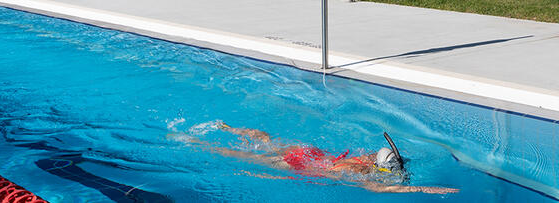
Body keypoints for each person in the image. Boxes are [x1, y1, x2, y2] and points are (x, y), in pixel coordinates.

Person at [178, 122, 457, 194]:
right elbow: (381, 188)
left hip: (312, 153)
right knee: (244, 156)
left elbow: (386, 159)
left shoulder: (367, 159)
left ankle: (228, 128)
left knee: (267, 141)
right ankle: (196, 143)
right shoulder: (361, 172)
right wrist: (425, 189)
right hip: (301, 164)